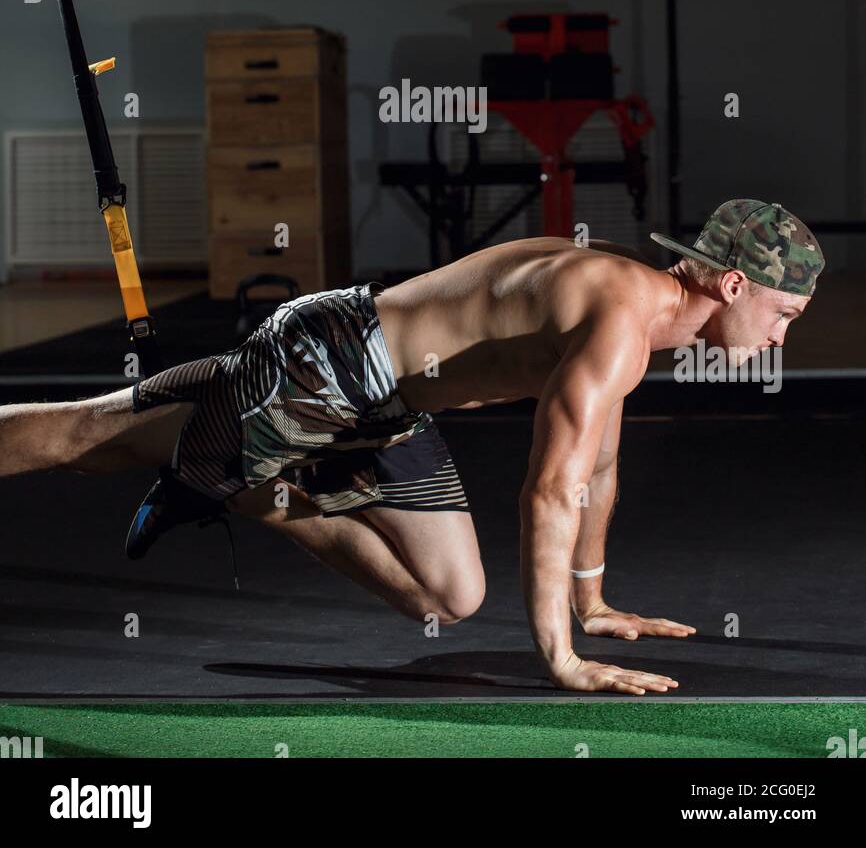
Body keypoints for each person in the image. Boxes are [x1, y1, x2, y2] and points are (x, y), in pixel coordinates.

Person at [0, 198, 823, 695]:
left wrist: (591, 599)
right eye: (784, 316)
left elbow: (598, 465)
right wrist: (561, 659)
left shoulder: (640, 324)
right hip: (321, 363)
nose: (782, 338)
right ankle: (229, 462)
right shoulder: (617, 317)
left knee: (450, 597)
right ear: (734, 284)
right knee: (91, 436)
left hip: (388, 405)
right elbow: (547, 492)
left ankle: (255, 490)